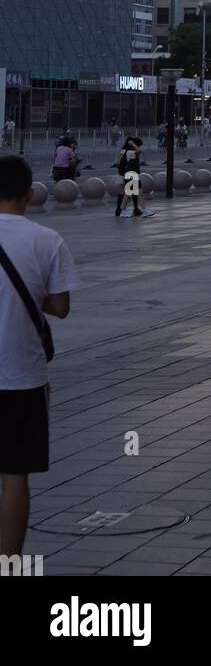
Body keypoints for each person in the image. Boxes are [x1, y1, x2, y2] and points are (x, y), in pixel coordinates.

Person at [0, 155, 79, 558]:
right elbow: (61, 307)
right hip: (22, 377)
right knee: (15, 474)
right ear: (30, 195)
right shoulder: (48, 240)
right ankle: (8, 562)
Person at [115, 137, 148, 218]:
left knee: (128, 192)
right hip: (128, 173)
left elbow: (118, 162)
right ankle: (124, 210)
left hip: (123, 173)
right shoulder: (130, 151)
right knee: (128, 192)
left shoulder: (124, 150)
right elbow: (139, 151)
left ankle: (122, 210)